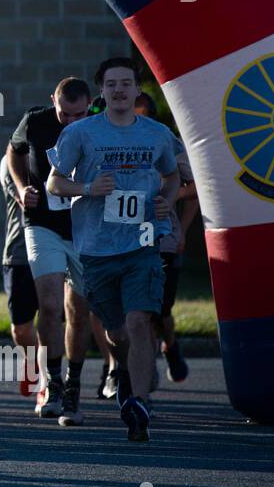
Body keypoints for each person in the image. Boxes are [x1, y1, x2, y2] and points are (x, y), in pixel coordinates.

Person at [46, 57, 180, 442]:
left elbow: (172, 176)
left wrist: (166, 202)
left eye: (126, 83)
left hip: (141, 241)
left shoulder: (156, 134)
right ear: (101, 93)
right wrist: (88, 189)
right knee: (118, 331)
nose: (119, 90)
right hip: (96, 247)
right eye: (111, 84)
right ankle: (122, 370)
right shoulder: (81, 133)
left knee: (140, 322)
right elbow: (55, 183)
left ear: (138, 90)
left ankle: (139, 404)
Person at [6, 77, 93, 426]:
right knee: (51, 304)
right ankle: (53, 383)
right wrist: (21, 186)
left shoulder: (101, 125)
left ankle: (74, 385)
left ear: (91, 106)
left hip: (85, 228)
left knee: (79, 310)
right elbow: (13, 151)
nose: (72, 122)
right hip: (41, 224)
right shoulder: (35, 121)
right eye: (65, 114)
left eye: (79, 115)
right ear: (52, 102)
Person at [134, 94, 196, 388]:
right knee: (136, 312)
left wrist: (181, 226)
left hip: (164, 239)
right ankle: (143, 371)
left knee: (160, 311)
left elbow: (195, 186)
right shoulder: (106, 138)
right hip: (125, 240)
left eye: (141, 115)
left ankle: (170, 345)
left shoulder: (164, 140)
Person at [0, 154, 42, 399]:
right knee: (20, 329)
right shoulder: (9, 163)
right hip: (19, 252)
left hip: (57, 250)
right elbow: (27, 198)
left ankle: (48, 381)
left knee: (50, 317)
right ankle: (31, 359)